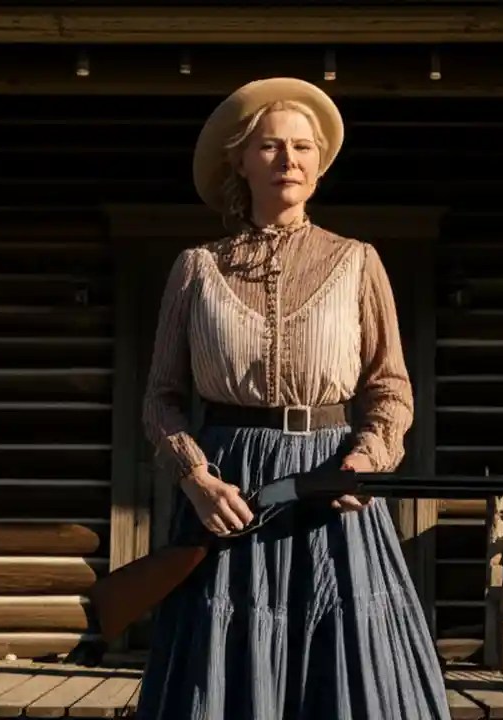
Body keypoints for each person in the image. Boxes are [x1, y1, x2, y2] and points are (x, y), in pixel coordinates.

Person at [135, 77, 452, 720]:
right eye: (272, 146)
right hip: (231, 488)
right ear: (240, 161)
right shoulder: (197, 267)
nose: (290, 160)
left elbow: (389, 391)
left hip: (330, 487)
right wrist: (196, 479)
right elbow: (160, 399)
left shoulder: (358, 261)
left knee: (347, 669)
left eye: (304, 148)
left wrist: (362, 464)